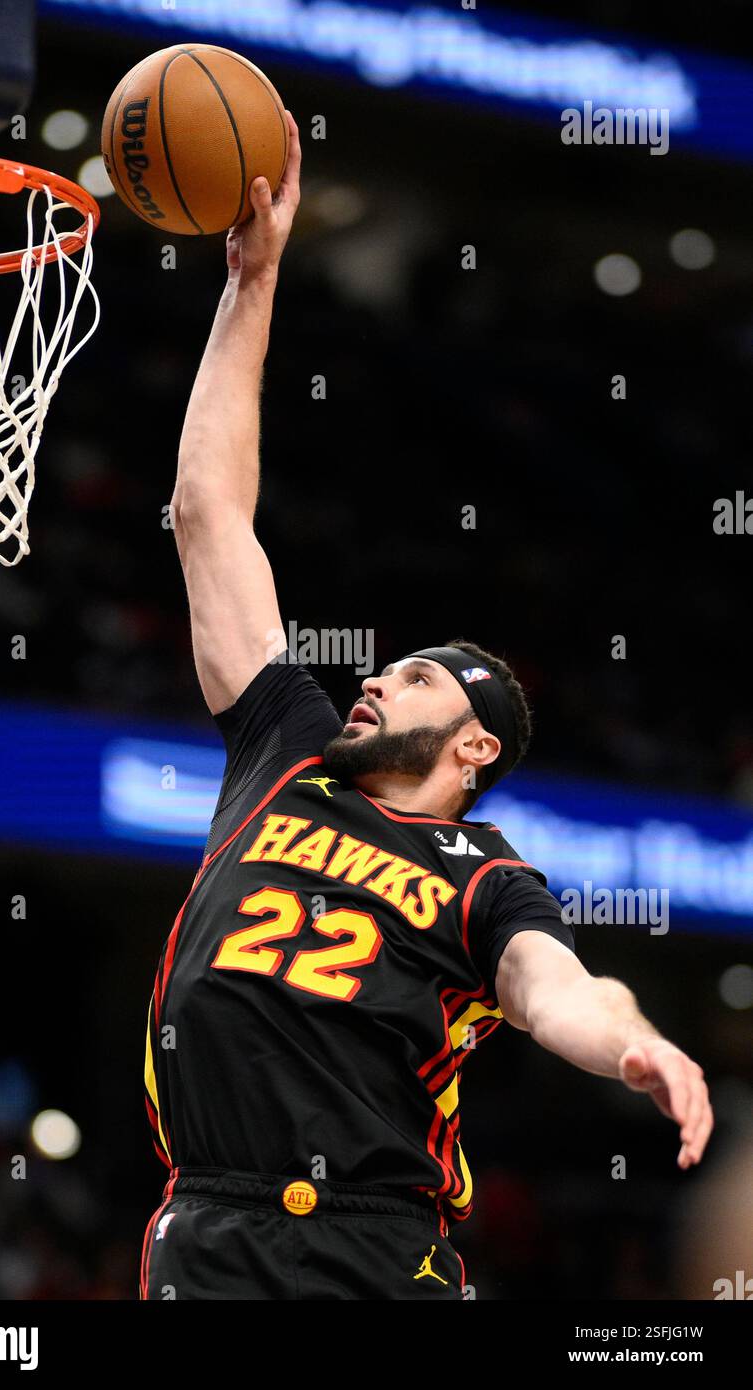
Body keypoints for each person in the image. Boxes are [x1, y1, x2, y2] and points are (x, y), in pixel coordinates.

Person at [140, 113, 713, 1301]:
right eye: (378, 667)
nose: (369, 679)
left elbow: (551, 988)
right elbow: (207, 515)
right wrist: (252, 283)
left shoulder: (485, 872)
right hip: (207, 1224)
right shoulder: (286, 746)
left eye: (409, 676)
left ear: (473, 742)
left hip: (372, 1242)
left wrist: (633, 1044)